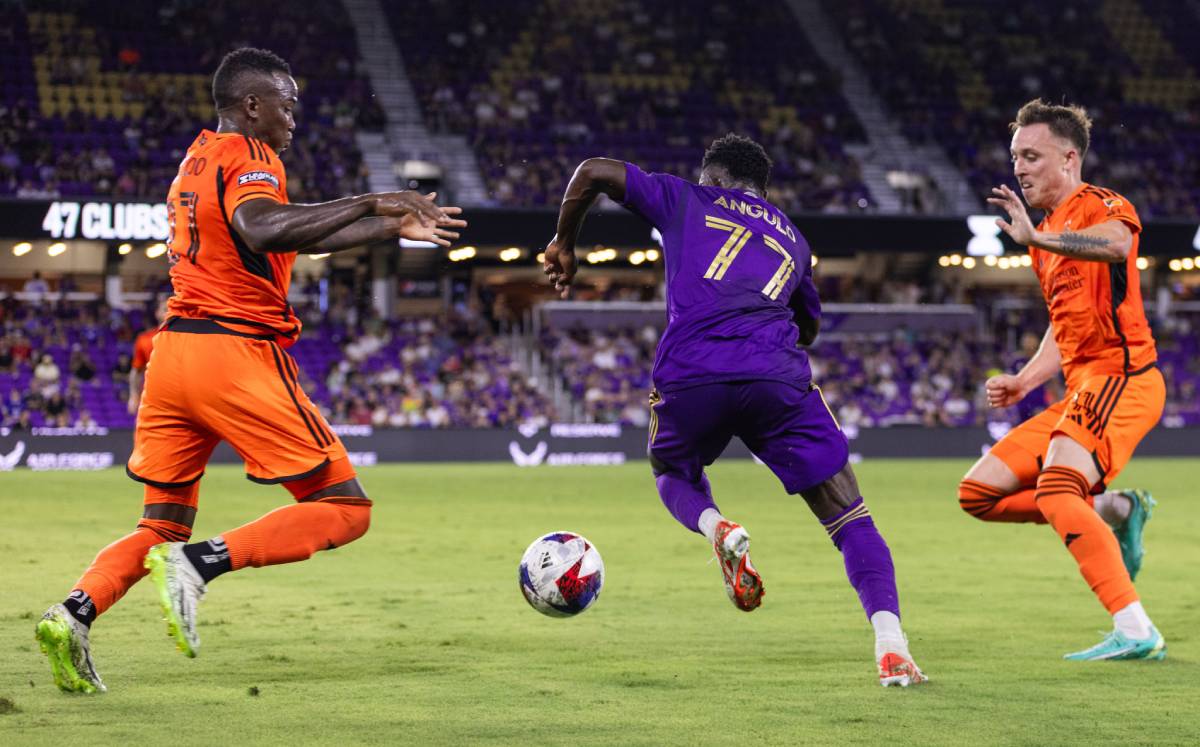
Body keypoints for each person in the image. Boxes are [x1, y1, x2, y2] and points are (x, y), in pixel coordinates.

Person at [35, 47, 467, 694]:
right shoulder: (253, 156)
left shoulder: (197, 157)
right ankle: (198, 564)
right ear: (252, 105)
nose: (294, 115)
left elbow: (284, 235)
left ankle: (72, 613)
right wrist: (373, 197)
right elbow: (262, 228)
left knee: (159, 522)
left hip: (174, 356)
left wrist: (384, 225)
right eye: (286, 103)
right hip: (231, 353)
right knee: (344, 509)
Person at [543, 134, 926, 687]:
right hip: (775, 376)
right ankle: (892, 645)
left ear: (715, 179)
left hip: (692, 370)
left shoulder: (687, 200)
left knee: (672, 471)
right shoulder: (793, 238)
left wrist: (564, 240)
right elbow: (811, 325)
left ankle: (715, 524)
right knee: (849, 516)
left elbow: (594, 170)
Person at [960, 99, 1165, 661]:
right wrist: (1026, 380)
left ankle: (1135, 629)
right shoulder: (1046, 232)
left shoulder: (1101, 204)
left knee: (1056, 490)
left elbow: (1120, 245)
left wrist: (1038, 241)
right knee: (976, 493)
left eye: (1032, 156)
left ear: (1069, 157)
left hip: (1123, 378)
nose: (1019, 168)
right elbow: (1062, 322)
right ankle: (1117, 509)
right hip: (1081, 387)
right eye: (1014, 157)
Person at [128, 296, 168, 415]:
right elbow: (136, 371)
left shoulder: (188, 338)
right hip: (153, 400)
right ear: (157, 313)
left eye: (173, 309)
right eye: (166, 309)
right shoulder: (144, 339)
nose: (170, 312)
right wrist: (133, 396)